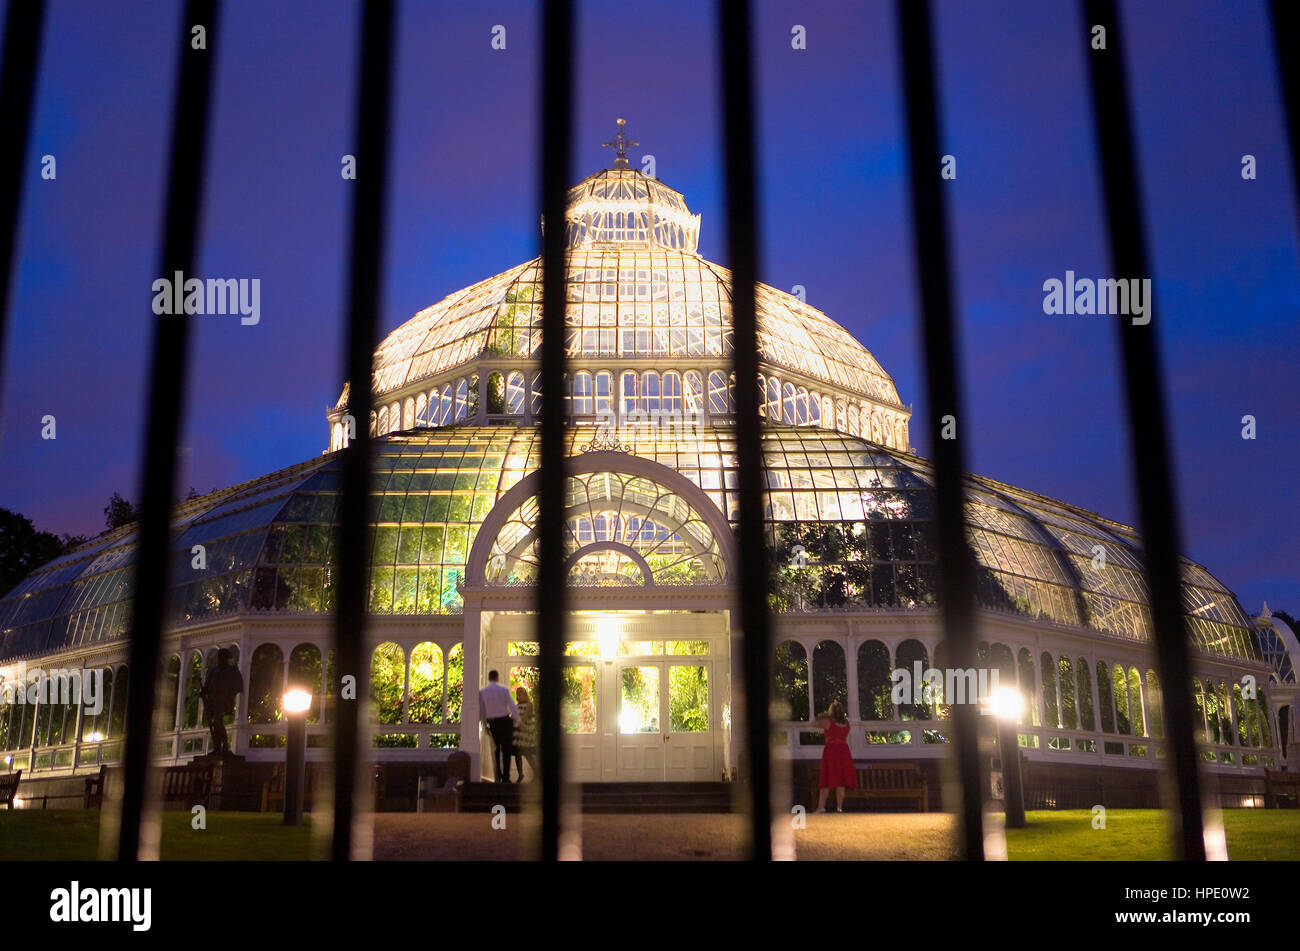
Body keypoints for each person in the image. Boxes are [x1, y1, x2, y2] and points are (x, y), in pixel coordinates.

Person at [200, 648, 244, 757]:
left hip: (223, 701)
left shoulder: (231, 671)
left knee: (216, 722)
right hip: (213, 701)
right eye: (220, 657)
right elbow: (207, 686)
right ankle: (217, 747)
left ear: (226, 658)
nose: (221, 659)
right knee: (215, 724)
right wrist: (204, 691)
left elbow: (236, 688)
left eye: (223, 657)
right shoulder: (214, 671)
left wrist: (230, 698)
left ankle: (224, 746)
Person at [815, 700, 857, 812]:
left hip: (831, 751)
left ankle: (821, 807)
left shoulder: (828, 722)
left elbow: (813, 723)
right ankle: (839, 808)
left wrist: (823, 716)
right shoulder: (847, 723)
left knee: (826, 779)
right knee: (841, 781)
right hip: (843, 751)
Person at [478, 670, 519, 782]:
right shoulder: (504, 690)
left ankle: (497, 776)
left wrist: (484, 723)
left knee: (495, 750)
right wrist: (518, 721)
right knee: (506, 750)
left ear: (489, 678)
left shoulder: (483, 692)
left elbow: (482, 710)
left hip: (493, 723)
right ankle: (506, 777)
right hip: (505, 722)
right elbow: (512, 706)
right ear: (497, 677)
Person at [511, 686, 539, 781]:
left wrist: (520, 724)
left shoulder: (529, 705)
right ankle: (520, 774)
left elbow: (525, 716)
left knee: (528, 753)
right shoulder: (516, 706)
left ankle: (536, 773)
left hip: (526, 732)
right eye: (518, 693)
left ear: (525, 693)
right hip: (518, 733)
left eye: (521, 692)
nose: (519, 694)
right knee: (517, 754)